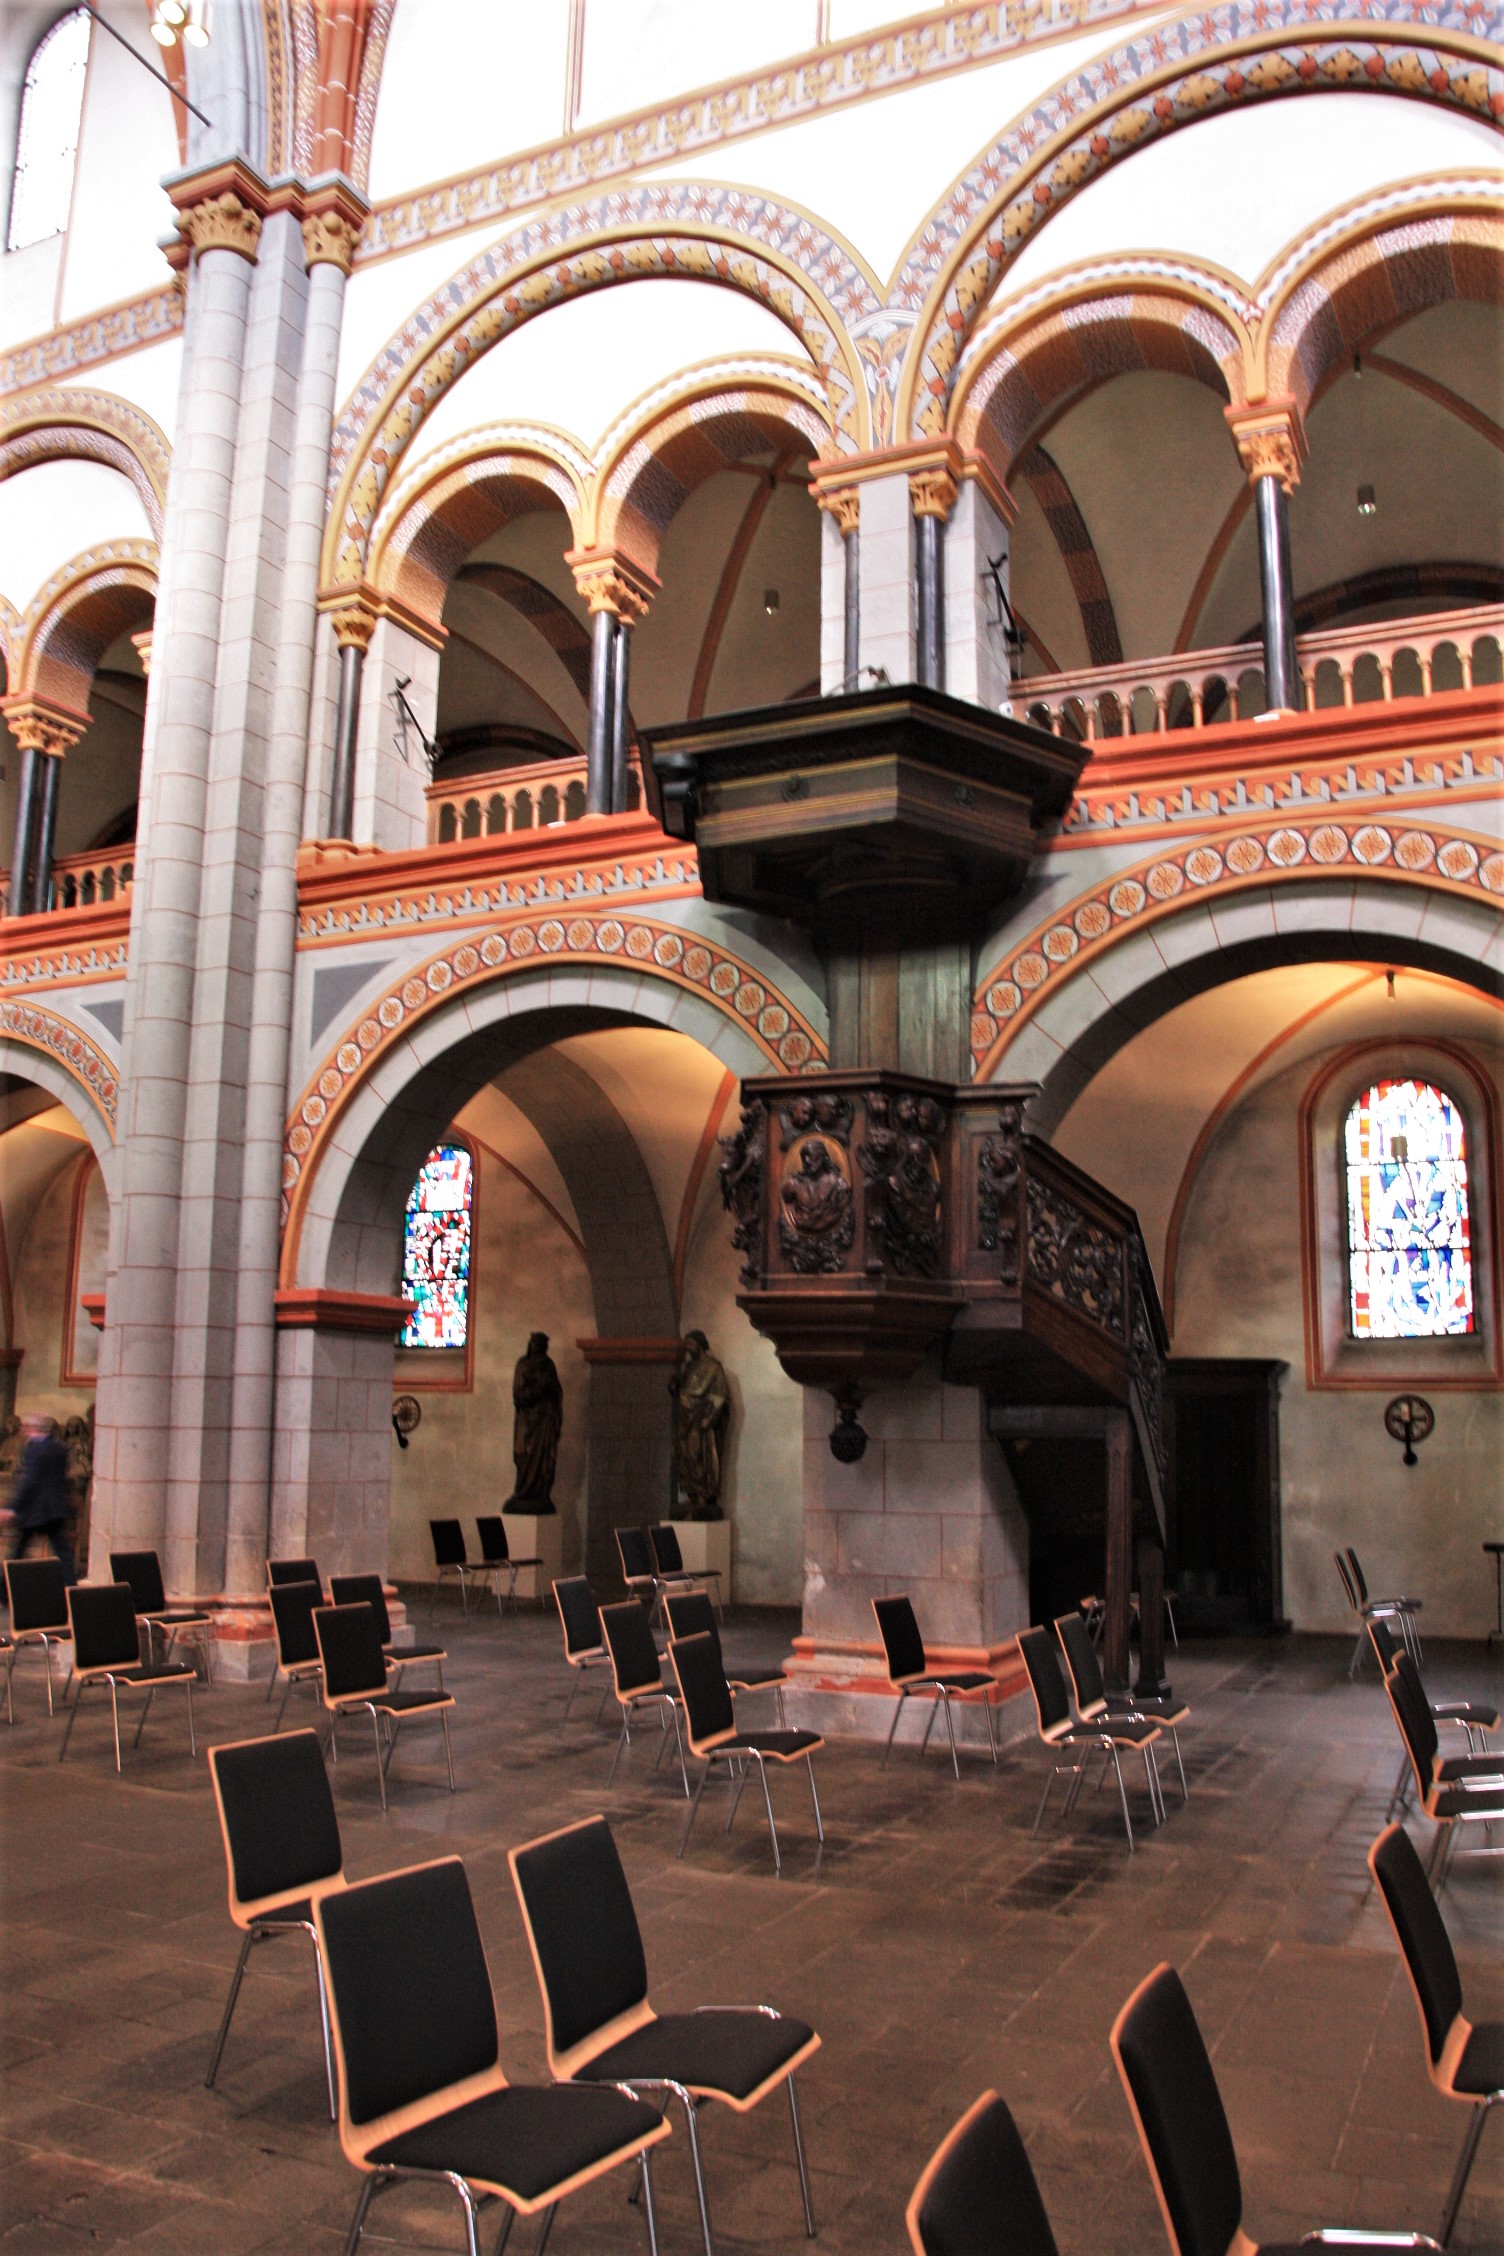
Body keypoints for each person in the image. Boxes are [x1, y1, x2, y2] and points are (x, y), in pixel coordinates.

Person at [2, 1413, 77, 1583]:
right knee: (62, 1551)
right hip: (56, 1508)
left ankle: (3, 1591)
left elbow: (29, 1481)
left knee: (18, 1550)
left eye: (26, 1427)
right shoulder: (60, 1448)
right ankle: (70, 1585)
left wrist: (11, 1507)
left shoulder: (34, 1449)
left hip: (35, 1509)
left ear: (33, 1428)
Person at [671, 1331, 730, 1521]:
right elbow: (683, 1389)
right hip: (684, 1419)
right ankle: (692, 1495)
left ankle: (704, 1496)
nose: (688, 1348)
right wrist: (674, 1386)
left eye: (691, 1343)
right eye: (686, 1344)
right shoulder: (689, 1367)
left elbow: (719, 1394)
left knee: (699, 1455)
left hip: (700, 1420)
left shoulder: (713, 1367)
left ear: (700, 1344)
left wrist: (709, 1417)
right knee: (685, 1455)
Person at [506, 1332, 563, 1512]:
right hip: (527, 1421)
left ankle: (539, 1492)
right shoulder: (523, 1365)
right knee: (524, 1456)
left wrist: (550, 1387)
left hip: (544, 1421)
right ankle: (524, 1491)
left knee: (544, 1459)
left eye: (542, 1345)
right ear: (531, 1345)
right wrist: (540, 1388)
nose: (539, 1348)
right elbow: (519, 1395)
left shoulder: (548, 1365)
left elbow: (557, 1393)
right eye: (536, 1344)